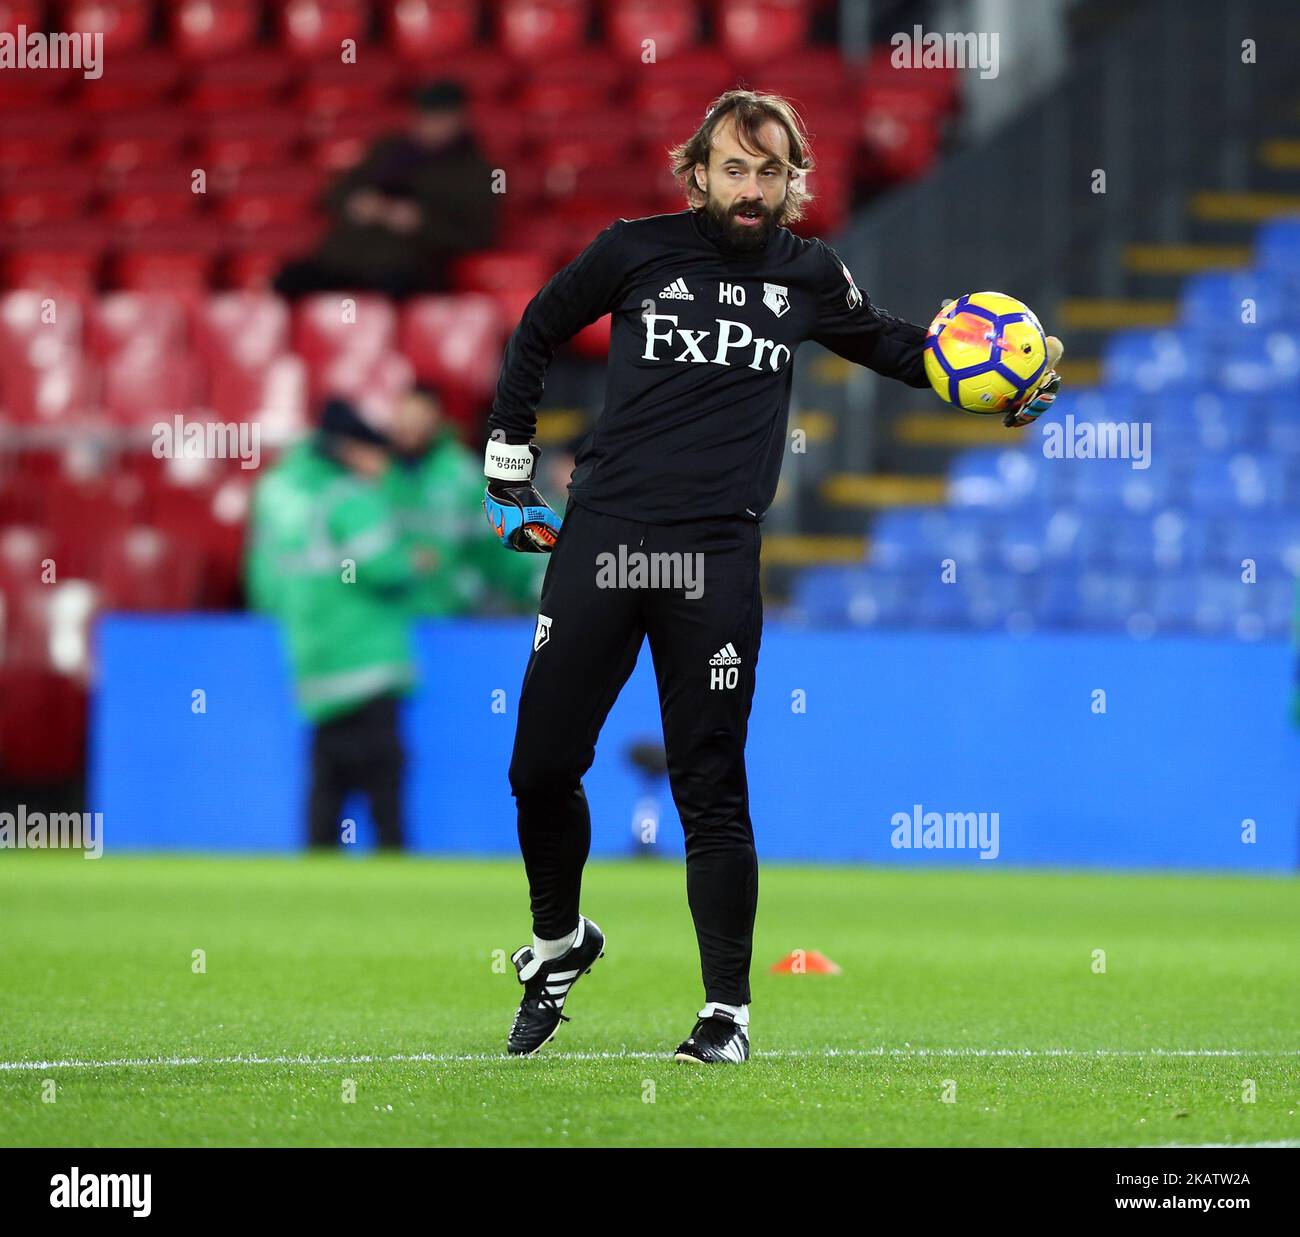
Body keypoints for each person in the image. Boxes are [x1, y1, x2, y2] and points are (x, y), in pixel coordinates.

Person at [481, 90, 1064, 1062]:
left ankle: (725, 1014)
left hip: (714, 555)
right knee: (539, 766)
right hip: (608, 539)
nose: (752, 187)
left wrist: (1010, 377)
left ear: (796, 179)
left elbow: (897, 347)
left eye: (771, 170)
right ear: (697, 172)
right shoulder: (633, 250)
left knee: (709, 780)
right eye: (734, 167)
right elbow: (537, 327)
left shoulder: (807, 274)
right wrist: (508, 465)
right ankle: (560, 941)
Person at [247, 398, 421, 850]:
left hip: (312, 661)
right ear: (352, 450)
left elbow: (263, 584)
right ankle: (393, 878)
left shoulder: (276, 491)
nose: (384, 464)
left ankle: (316, 881)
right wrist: (415, 562)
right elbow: (388, 570)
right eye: (378, 452)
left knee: (326, 782)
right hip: (367, 660)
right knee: (386, 782)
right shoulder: (349, 498)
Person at [275, 80, 498, 300]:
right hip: (347, 256)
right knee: (290, 279)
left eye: (440, 117)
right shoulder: (388, 150)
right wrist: (357, 203)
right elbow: (335, 193)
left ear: (461, 119)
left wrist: (420, 222)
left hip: (409, 265)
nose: (431, 125)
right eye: (425, 116)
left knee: (396, 288)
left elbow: (477, 235)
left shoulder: (477, 171)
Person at [384, 384, 544, 617]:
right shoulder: (380, 474)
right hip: (391, 614)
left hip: (458, 612)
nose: (410, 427)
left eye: (419, 418)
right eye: (404, 418)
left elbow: (498, 540)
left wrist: (526, 590)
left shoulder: (462, 474)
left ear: (436, 420)